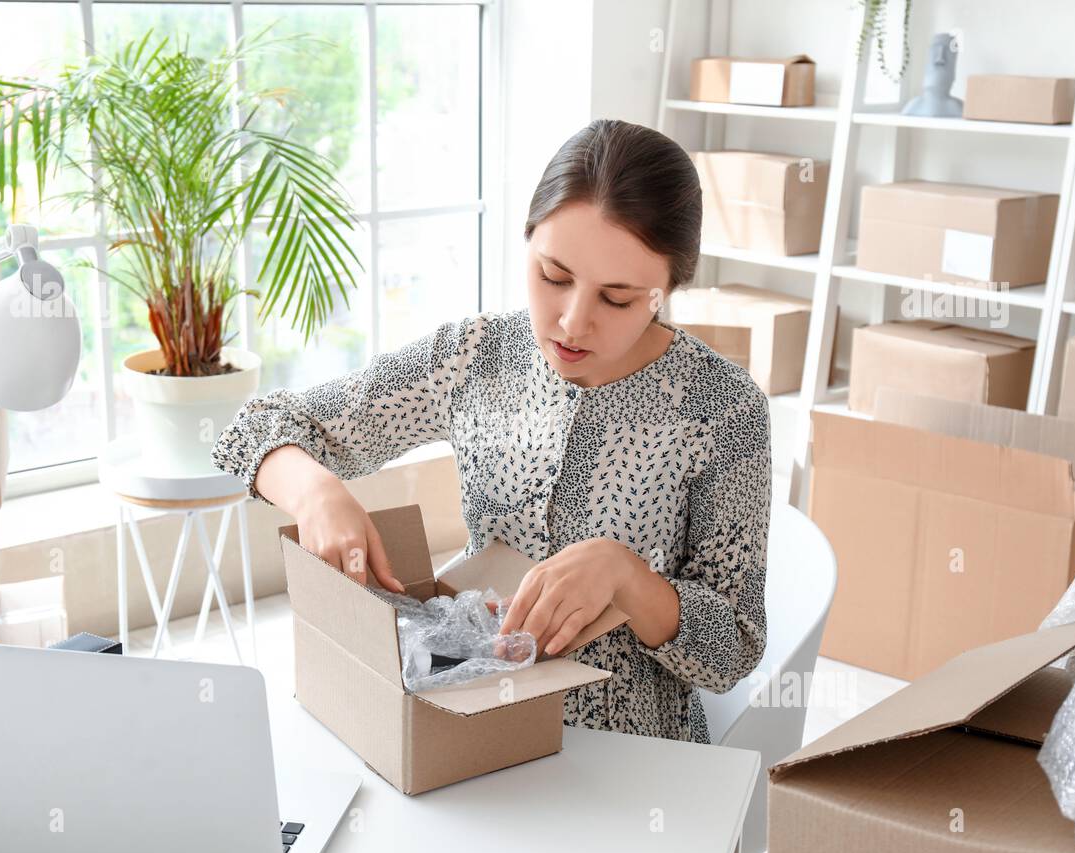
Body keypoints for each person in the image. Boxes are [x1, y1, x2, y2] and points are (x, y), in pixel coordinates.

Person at [212, 118, 771, 744]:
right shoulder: (476, 358)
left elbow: (735, 652)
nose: (572, 321)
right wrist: (316, 492)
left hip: (637, 757)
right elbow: (253, 427)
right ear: (528, 240)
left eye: (617, 299)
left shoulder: (722, 408)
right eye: (553, 276)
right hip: (478, 733)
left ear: (668, 289)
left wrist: (628, 577)